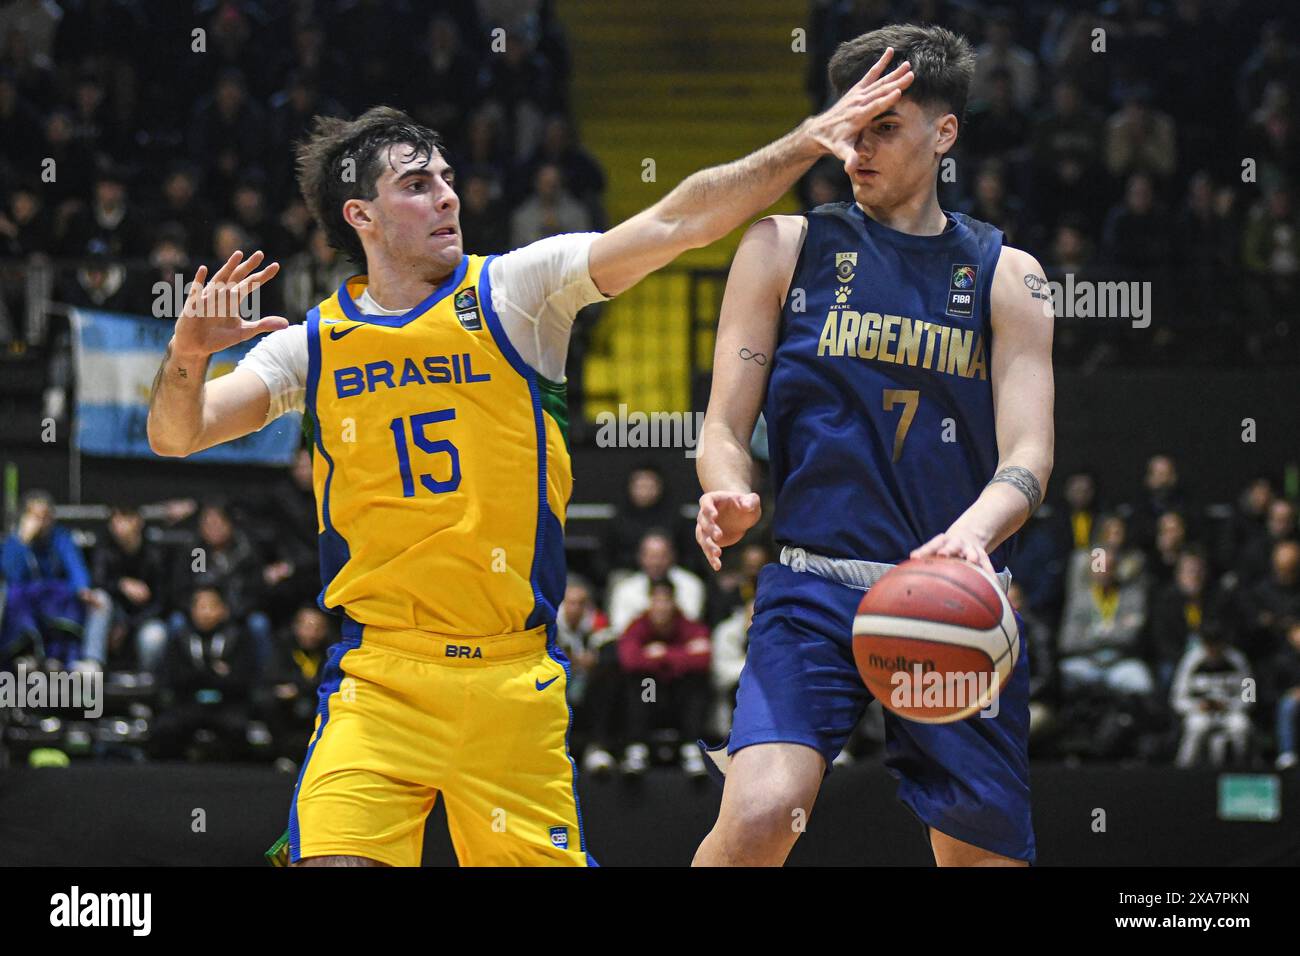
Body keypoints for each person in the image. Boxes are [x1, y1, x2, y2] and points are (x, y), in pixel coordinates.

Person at [145, 68, 916, 868]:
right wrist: (186, 356)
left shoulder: (514, 291)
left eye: (446, 177)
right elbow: (178, 434)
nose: (447, 195)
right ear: (361, 217)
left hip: (512, 685)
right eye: (417, 184)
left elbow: (679, 221)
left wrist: (802, 143)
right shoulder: (310, 344)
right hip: (378, 680)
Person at [691, 25, 1053, 867]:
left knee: (979, 861)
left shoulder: (1010, 275)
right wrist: (724, 488)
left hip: (952, 596)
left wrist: (974, 532)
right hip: (813, 588)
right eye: (849, 123)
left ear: (945, 132)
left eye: (885, 125)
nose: (857, 145)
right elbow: (721, 429)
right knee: (759, 817)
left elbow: (1030, 453)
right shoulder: (782, 247)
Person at [1, 489, 111, 668]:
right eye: (35, 516)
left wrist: (82, 588)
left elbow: (75, 565)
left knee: (66, 594)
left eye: (45, 516)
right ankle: (25, 654)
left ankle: (58, 656)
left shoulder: (60, 537)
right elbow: (11, 574)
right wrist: (23, 541)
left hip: (53, 597)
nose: (41, 522)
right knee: (13, 595)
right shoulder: (15, 541)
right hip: (26, 597)